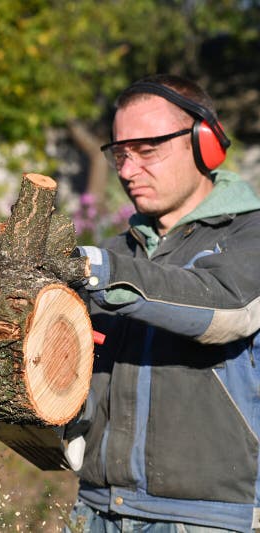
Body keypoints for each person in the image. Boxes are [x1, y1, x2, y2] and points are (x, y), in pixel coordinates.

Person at [65, 74, 260, 532]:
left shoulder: (249, 239)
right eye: (120, 154)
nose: (129, 171)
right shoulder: (118, 253)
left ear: (204, 142)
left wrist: (102, 272)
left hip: (206, 519)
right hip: (97, 509)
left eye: (147, 150)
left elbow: (226, 310)